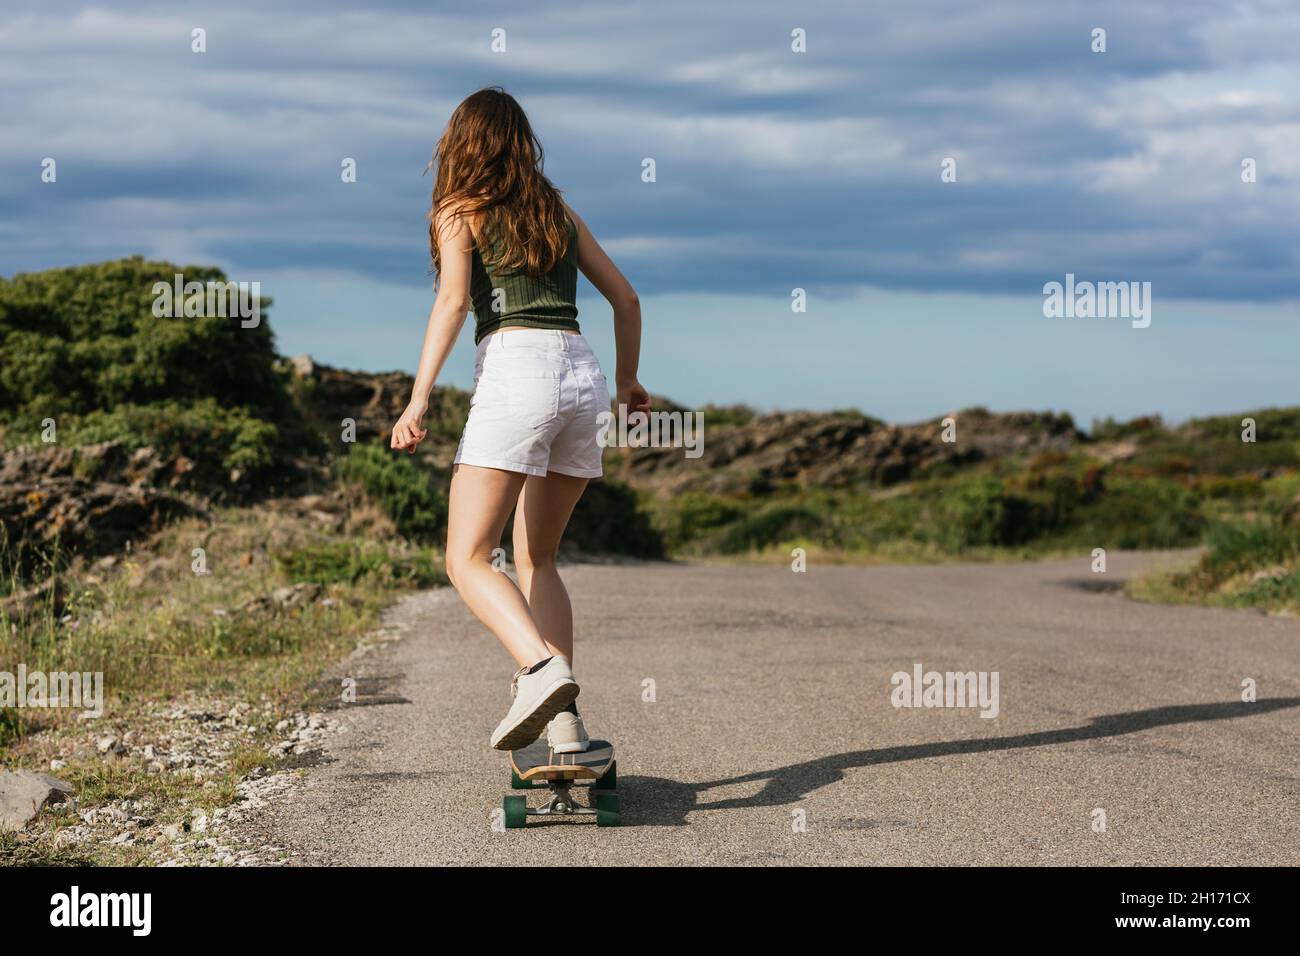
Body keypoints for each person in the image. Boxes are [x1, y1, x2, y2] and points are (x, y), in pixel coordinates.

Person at [390, 87, 650, 754]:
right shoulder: (557, 211)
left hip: (518, 370)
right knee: (539, 559)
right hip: (583, 378)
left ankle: (539, 670)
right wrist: (626, 383)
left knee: (467, 557)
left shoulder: (458, 209)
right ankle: (565, 726)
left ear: (460, 143)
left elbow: (452, 304)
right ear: (521, 143)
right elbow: (626, 298)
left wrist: (417, 399)